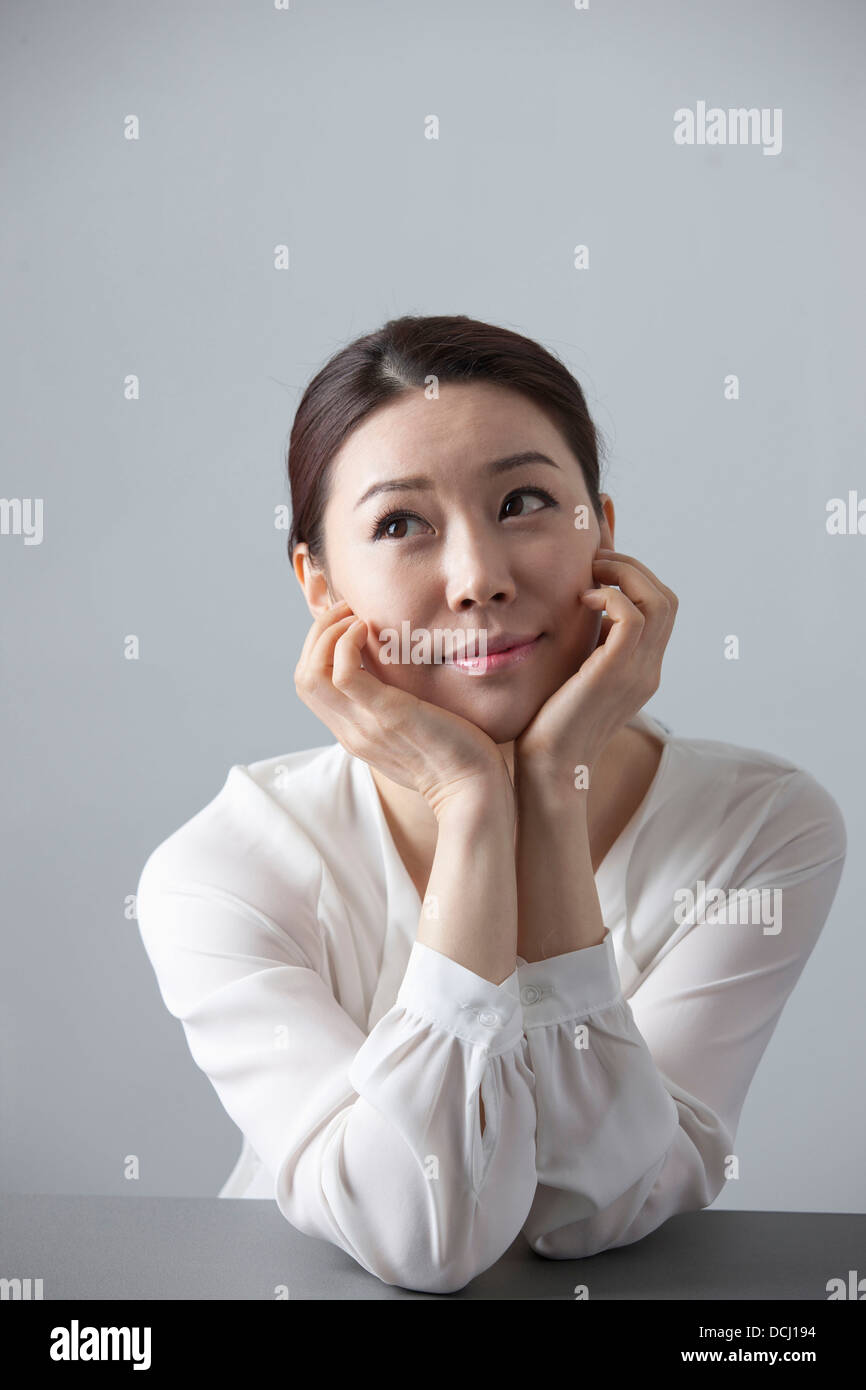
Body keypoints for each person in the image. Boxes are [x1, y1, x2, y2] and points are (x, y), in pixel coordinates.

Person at [136, 314, 847, 1295]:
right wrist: (473, 802)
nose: (479, 578)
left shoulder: (760, 828)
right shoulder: (225, 870)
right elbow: (420, 1237)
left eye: (522, 502)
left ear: (599, 530)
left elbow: (593, 1208)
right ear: (319, 585)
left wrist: (551, 793)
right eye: (399, 524)